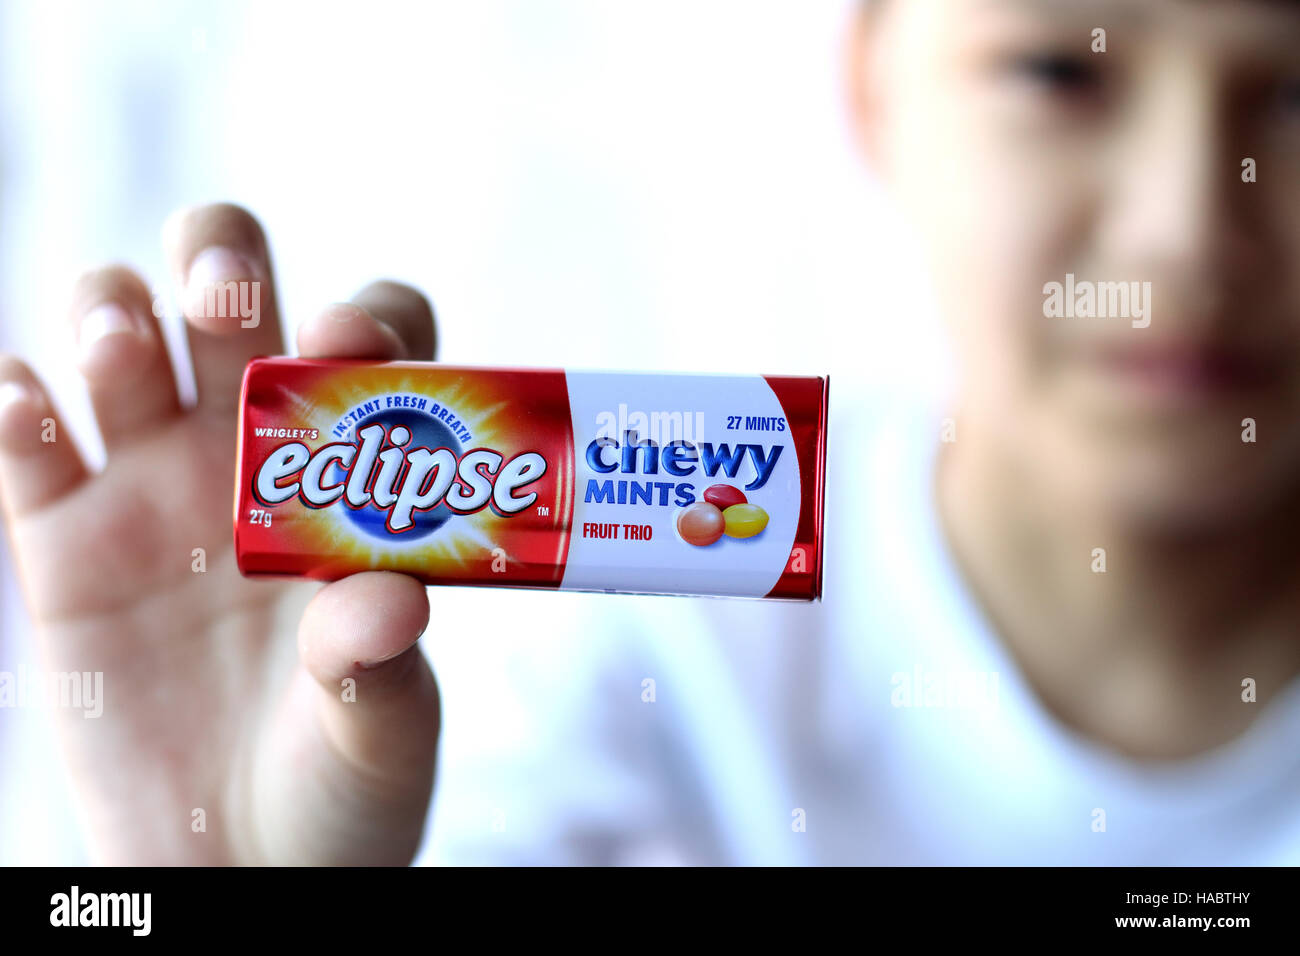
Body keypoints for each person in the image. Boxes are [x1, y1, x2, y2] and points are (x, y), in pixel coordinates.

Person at [2, 0, 1299, 865]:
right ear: (871, 90)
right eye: (1059, 71)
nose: (1186, 230)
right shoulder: (644, 656)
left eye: (1294, 98)